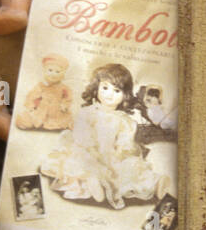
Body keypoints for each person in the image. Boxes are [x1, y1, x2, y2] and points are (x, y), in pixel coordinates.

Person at [40, 62, 171, 210]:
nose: (109, 94)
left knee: (130, 167)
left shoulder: (124, 120)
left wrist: (121, 152)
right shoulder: (88, 113)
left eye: (117, 91)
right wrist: (91, 149)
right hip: (88, 151)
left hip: (112, 156)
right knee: (79, 161)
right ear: (96, 88)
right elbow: (82, 134)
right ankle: (91, 183)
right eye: (105, 88)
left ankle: (156, 183)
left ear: (125, 95)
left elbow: (125, 141)